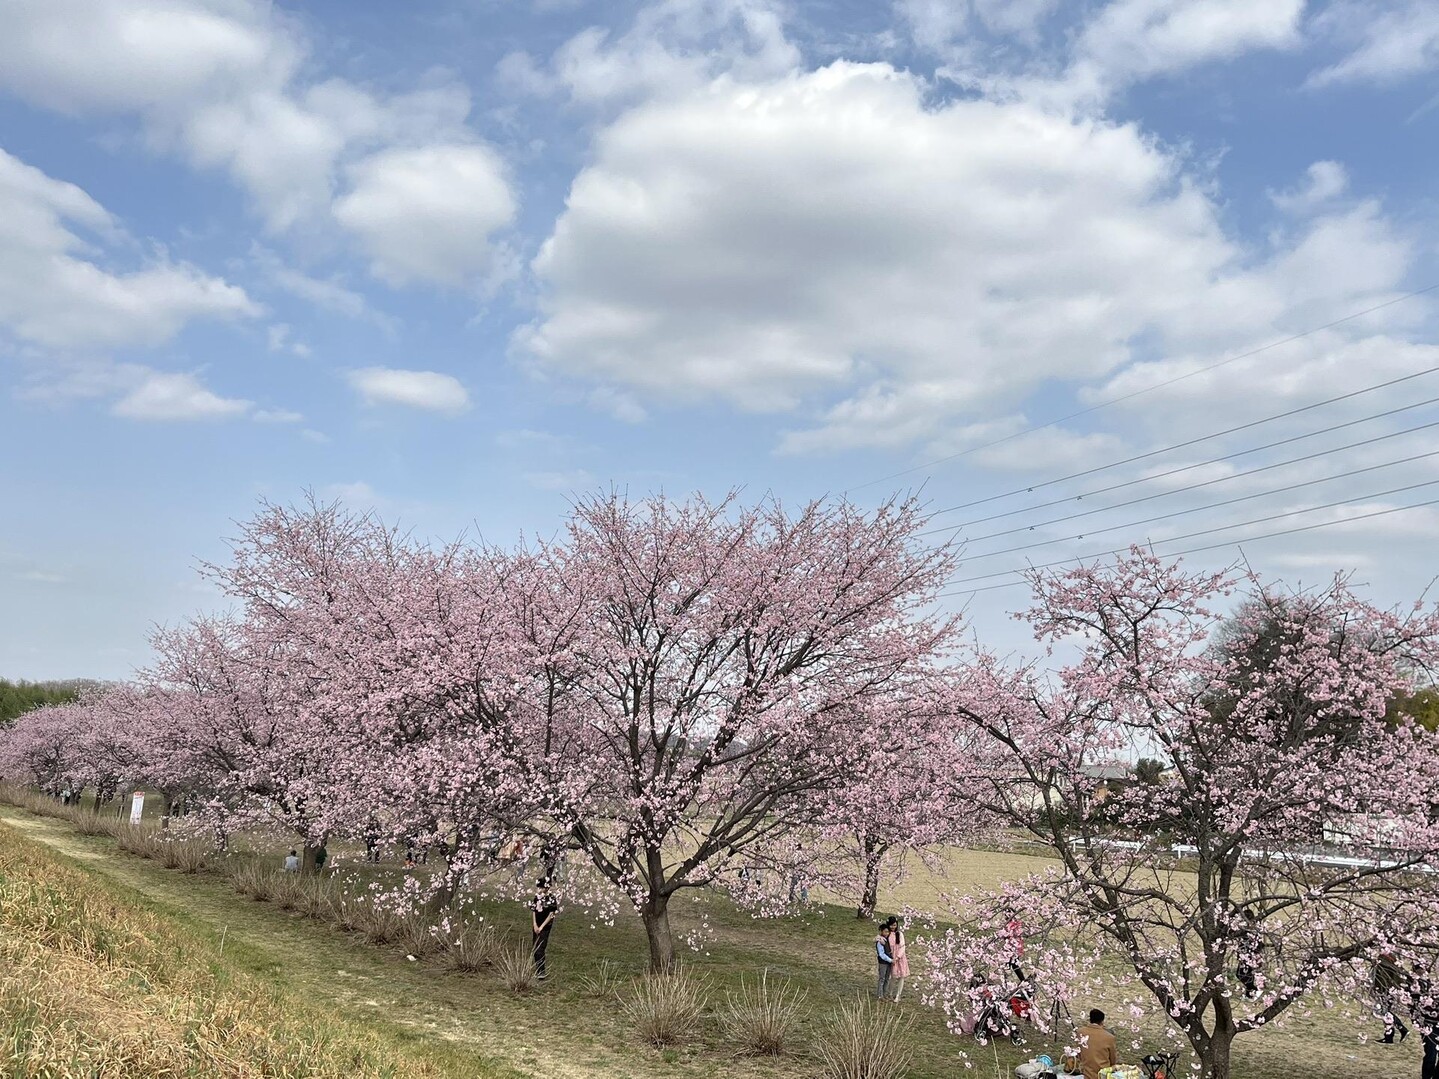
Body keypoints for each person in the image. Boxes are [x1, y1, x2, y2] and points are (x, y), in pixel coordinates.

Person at [1373, 953, 1410, 1043]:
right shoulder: (1392, 961)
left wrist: (1379, 989)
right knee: (1386, 1012)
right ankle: (1389, 1036)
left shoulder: (1384, 961)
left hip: (1386, 990)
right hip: (1390, 990)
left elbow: (1382, 979)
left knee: (1385, 1012)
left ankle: (1402, 1030)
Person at [1076, 1008, 1118, 1079]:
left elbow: (1079, 1053)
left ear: (1090, 1019)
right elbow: (1113, 1060)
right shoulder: (1109, 1037)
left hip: (1087, 1073)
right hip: (1103, 1075)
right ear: (1102, 1021)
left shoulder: (1080, 1032)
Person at [530, 883, 557, 981]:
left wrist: (541, 927)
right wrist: (535, 924)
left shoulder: (551, 898)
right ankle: (538, 970)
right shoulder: (537, 897)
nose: (540, 889)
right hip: (536, 925)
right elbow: (534, 910)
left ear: (546, 888)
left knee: (540, 948)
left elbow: (551, 914)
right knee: (535, 948)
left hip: (545, 927)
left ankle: (541, 972)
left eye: (542, 887)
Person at [886, 917, 910, 1002]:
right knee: (893, 976)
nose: (893, 927)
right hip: (891, 957)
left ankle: (898, 995)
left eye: (894, 925)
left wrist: (898, 957)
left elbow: (902, 946)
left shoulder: (899, 934)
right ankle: (890, 993)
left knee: (901, 976)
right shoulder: (887, 934)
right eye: (891, 925)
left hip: (900, 958)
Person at [874, 924, 895, 1000]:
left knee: (887, 978)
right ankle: (880, 995)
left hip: (888, 962)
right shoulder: (880, 941)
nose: (887, 933)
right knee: (882, 978)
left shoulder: (887, 939)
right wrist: (890, 960)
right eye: (885, 931)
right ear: (881, 931)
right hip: (883, 962)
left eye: (888, 932)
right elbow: (881, 954)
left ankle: (884, 994)